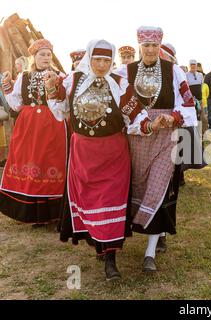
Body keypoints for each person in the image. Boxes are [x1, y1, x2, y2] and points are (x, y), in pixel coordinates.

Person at [47, 39, 151, 281]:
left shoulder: (120, 84)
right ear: (89, 59)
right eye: (98, 59)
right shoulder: (73, 80)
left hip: (113, 153)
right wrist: (53, 88)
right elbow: (60, 109)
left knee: (110, 201)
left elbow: (135, 116)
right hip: (83, 153)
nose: (103, 65)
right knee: (91, 203)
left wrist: (149, 124)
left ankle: (111, 261)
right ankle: (99, 243)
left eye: (107, 60)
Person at [120, 26, 197, 272]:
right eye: (146, 46)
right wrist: (144, 122)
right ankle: (139, 231)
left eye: (155, 45)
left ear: (160, 46)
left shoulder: (174, 71)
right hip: (137, 136)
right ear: (140, 46)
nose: (151, 50)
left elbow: (188, 102)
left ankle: (150, 252)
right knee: (137, 184)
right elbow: (120, 104)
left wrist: (173, 118)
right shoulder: (125, 71)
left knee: (159, 185)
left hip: (167, 136)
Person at [0, 39, 67, 226]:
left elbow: (65, 100)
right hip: (28, 125)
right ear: (34, 57)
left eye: (48, 54)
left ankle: (54, 213)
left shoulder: (60, 75)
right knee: (31, 161)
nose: (45, 58)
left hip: (52, 123)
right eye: (41, 55)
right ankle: (35, 214)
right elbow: (15, 103)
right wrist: (6, 87)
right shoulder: (24, 76)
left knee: (50, 161)